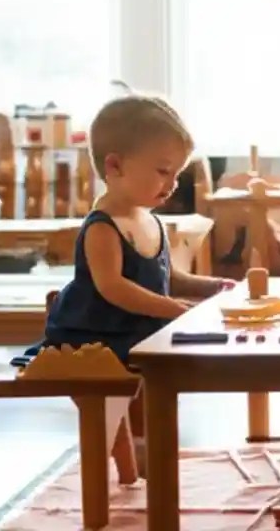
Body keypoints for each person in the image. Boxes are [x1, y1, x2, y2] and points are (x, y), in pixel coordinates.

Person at [40, 95, 234, 363]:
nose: (174, 184)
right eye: (164, 171)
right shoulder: (103, 227)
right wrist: (174, 309)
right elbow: (113, 287)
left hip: (143, 332)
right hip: (102, 340)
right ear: (115, 166)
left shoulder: (151, 221)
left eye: (177, 175)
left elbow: (167, 278)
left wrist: (215, 287)